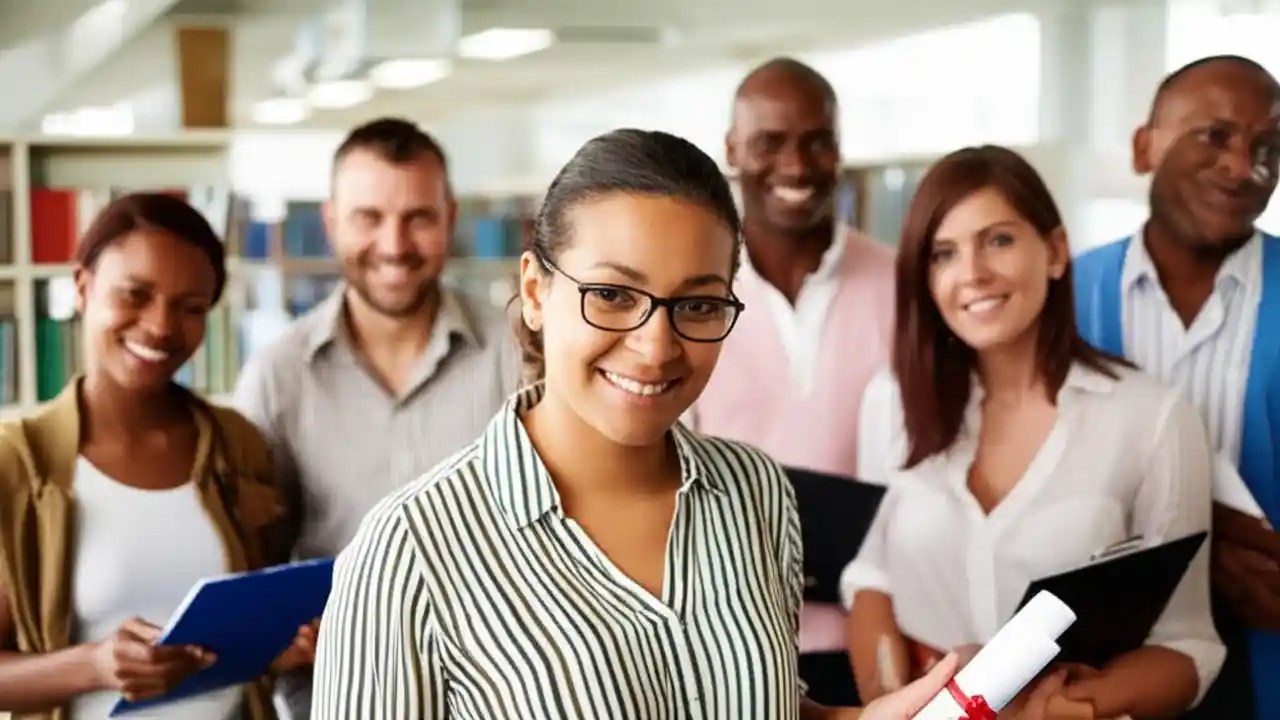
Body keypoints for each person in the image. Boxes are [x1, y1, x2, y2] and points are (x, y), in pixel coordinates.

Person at [311, 128, 968, 720]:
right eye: (613, 296)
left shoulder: (757, 495)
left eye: (698, 303)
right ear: (537, 293)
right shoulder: (408, 552)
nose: (657, 347)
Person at [844, 145, 1224, 718]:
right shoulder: (891, 400)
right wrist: (889, 701)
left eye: (998, 240)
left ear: (1054, 251)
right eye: (943, 254)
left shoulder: (1153, 419)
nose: (972, 273)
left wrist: (1079, 705)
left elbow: (1187, 643)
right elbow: (872, 575)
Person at [232, 118, 522, 715]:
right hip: (334, 694)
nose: (394, 245)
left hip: (494, 695)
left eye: (418, 217)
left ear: (450, 218)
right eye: (369, 218)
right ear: (332, 220)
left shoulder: (520, 355)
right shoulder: (277, 376)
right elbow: (251, 564)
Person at [0, 193, 312, 720]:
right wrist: (93, 666)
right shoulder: (20, 464)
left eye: (190, 308)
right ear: (83, 288)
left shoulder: (240, 447)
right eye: (135, 295)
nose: (161, 326)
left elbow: (250, 636)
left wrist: (283, 650)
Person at [1072, 54, 1280, 719]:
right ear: (1145, 147)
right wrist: (1202, 542)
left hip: (1265, 655)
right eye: (1214, 134)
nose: (1243, 165)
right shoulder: (1061, 298)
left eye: (1269, 147)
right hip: (1107, 665)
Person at [686, 57, 896, 706]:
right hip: (725, 642)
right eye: (770, 142)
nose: (797, 166)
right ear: (731, 150)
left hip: (878, 637)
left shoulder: (905, 283)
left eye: (816, 141)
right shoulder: (690, 291)